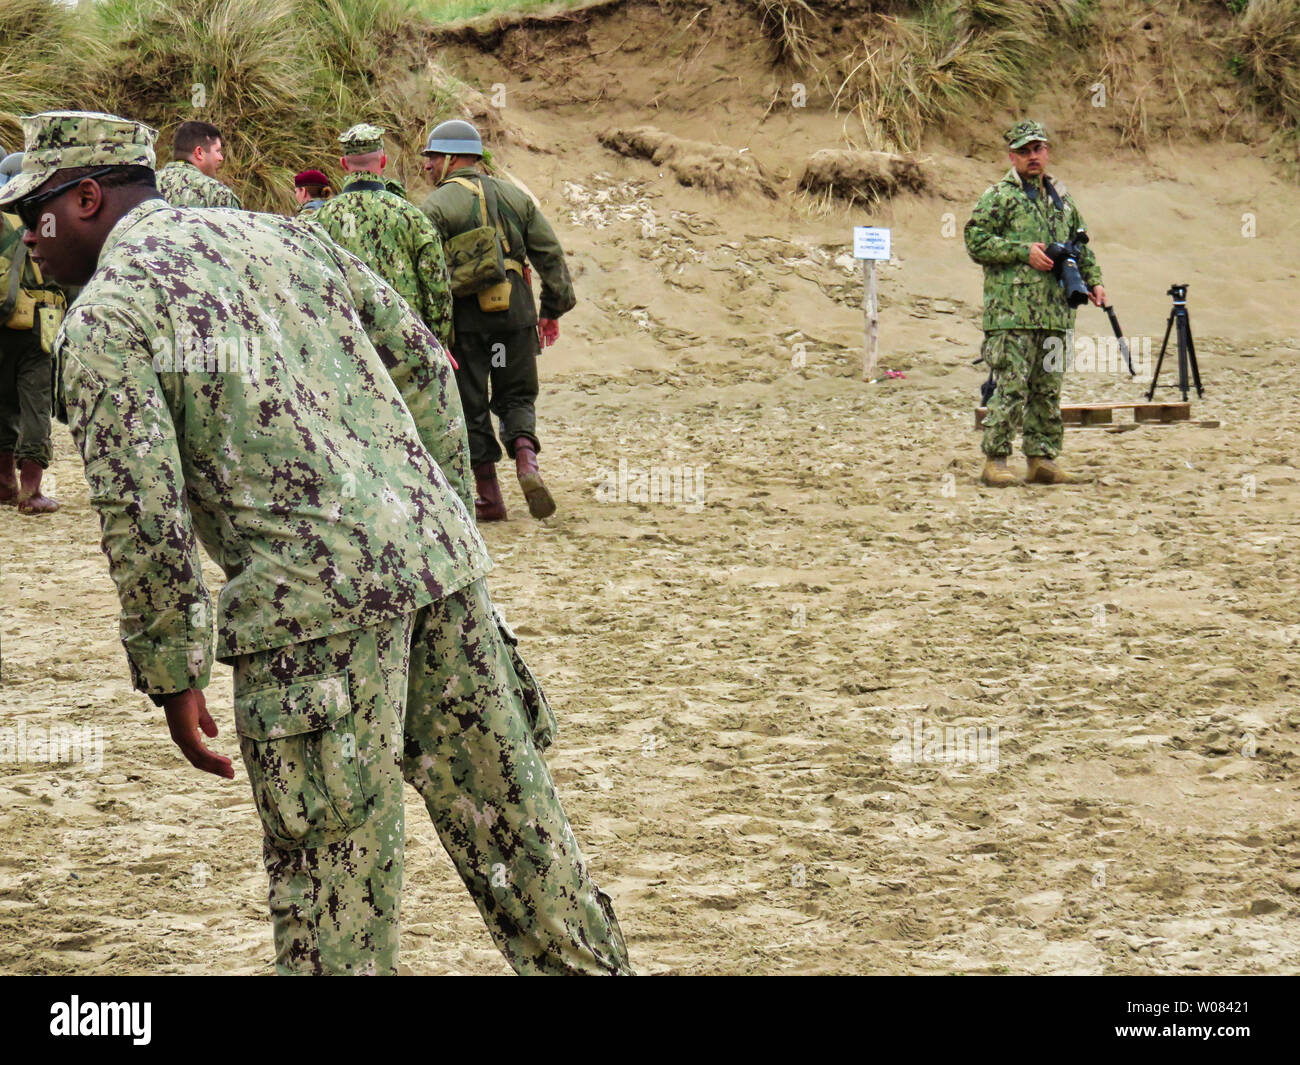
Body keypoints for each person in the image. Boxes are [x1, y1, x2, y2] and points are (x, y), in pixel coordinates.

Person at [4, 110, 632, 976]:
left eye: (29, 213)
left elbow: (141, 512)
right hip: (439, 576)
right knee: (529, 852)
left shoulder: (109, 314)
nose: (25, 238)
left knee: (333, 902)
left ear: (82, 198)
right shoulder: (280, 238)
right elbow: (421, 361)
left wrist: (173, 670)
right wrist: (436, 515)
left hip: (310, 629)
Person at [420, 119, 572, 522]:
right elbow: (550, 255)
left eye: (433, 157)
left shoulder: (435, 207)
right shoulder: (516, 197)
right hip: (515, 319)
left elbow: (426, 270)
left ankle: (489, 498)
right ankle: (526, 463)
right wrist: (551, 310)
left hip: (467, 325)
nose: (428, 165)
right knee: (516, 393)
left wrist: (431, 326)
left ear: (452, 158)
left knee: (470, 403)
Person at [965, 120, 1105, 487]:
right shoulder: (999, 196)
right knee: (1011, 386)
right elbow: (975, 240)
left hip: (1056, 311)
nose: (1032, 157)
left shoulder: (1062, 199)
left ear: (1047, 152)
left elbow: (1080, 245)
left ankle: (1041, 459)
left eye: (1038, 149)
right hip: (1012, 313)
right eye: (1025, 151)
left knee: (1047, 389)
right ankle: (995, 460)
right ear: (1012, 156)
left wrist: (1094, 281)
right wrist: (1021, 251)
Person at [313, 124, 452, 350]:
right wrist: (439, 342)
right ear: (384, 162)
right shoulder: (412, 217)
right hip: (407, 343)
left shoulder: (318, 221)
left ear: (344, 164)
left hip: (346, 342)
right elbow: (436, 287)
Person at [0, 152, 65, 514]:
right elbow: (63, 267)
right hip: (37, 324)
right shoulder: (46, 217)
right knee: (35, 408)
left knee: (1, 404)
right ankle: (31, 493)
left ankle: (4, 485)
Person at [155, 120, 242, 209]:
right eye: (218, 151)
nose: (221, 158)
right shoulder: (219, 195)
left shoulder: (147, 184)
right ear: (199, 152)